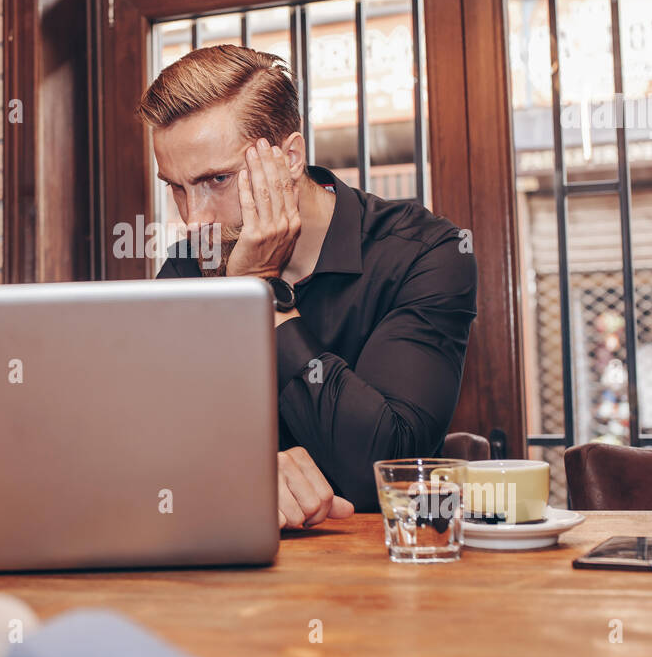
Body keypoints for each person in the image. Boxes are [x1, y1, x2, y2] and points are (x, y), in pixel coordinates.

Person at [143, 45, 477, 528]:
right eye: (175, 186)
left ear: (290, 157)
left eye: (216, 179)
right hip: (232, 577)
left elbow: (386, 473)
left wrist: (262, 294)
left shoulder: (423, 253)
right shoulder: (186, 272)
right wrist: (232, 473)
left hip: (385, 577)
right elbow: (151, 450)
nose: (193, 219)